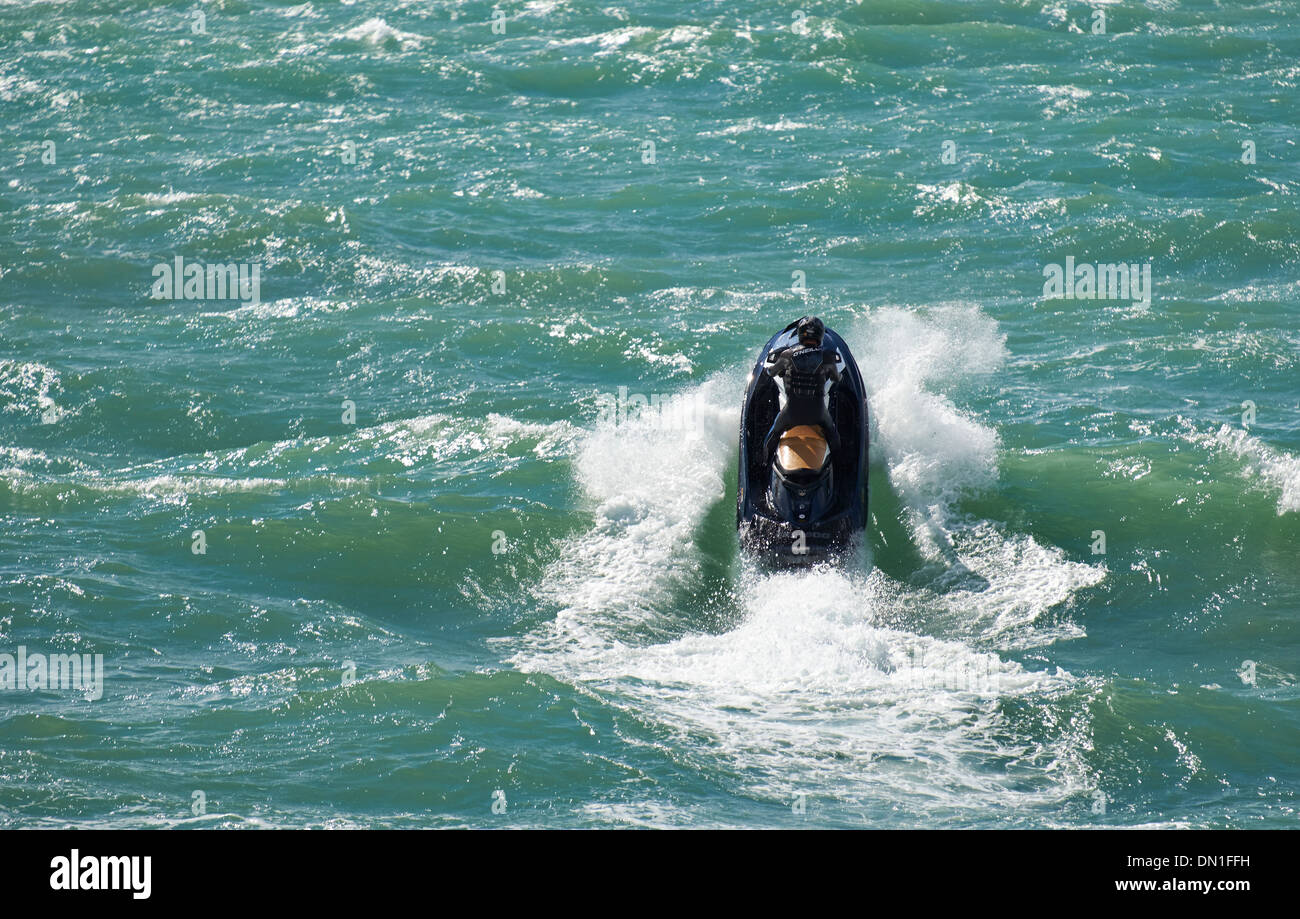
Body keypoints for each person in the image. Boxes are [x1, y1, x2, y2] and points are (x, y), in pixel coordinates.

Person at [762, 316, 842, 459]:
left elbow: (771, 372)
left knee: (772, 436)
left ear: (800, 334)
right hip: (818, 414)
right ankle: (840, 468)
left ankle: (763, 465)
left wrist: (777, 371)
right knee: (833, 435)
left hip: (791, 414)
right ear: (820, 335)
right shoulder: (827, 356)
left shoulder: (787, 354)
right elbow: (836, 378)